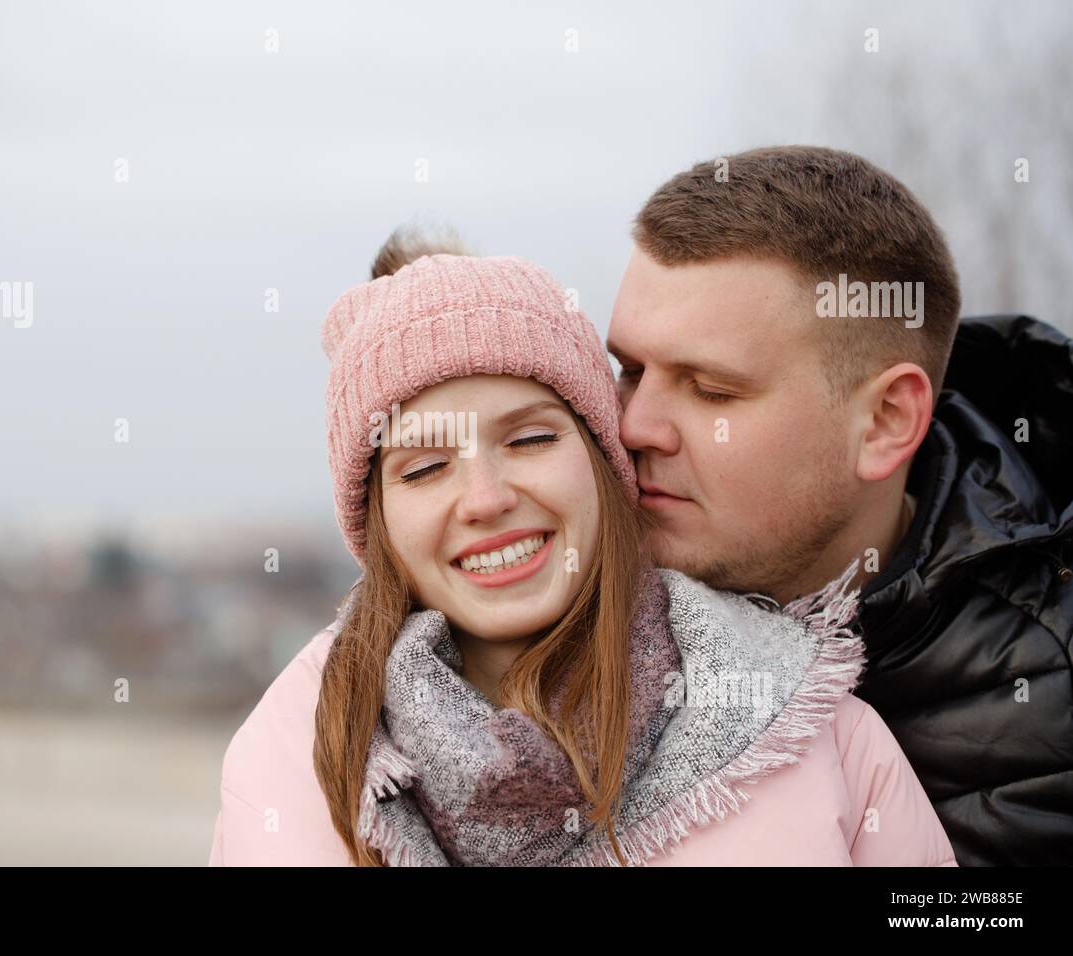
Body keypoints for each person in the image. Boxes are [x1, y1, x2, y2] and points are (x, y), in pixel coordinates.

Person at [207, 232, 955, 866]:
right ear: (379, 523)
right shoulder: (295, 748)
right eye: (425, 468)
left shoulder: (808, 724)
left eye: (531, 439)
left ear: (604, 460)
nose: (486, 498)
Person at [607, 144, 1073, 866]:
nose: (635, 426)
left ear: (886, 421)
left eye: (711, 390)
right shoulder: (531, 617)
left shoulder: (1049, 721)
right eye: (631, 370)